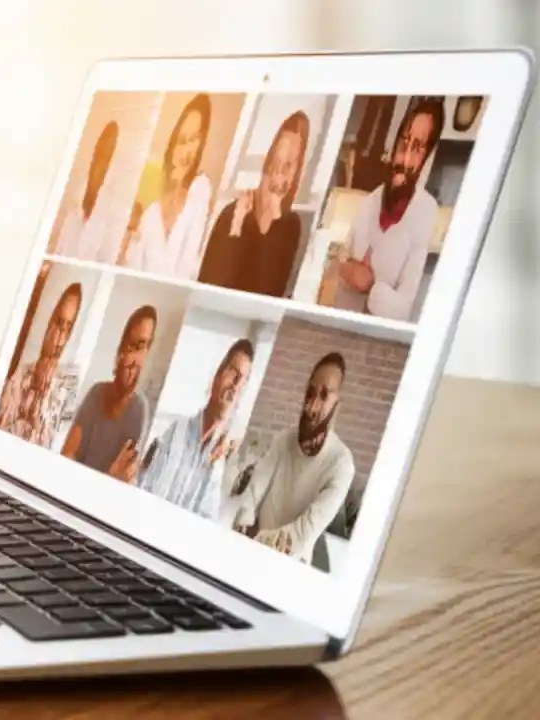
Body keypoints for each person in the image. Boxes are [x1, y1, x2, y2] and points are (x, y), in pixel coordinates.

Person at [232, 353, 356, 568]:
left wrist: (255, 543)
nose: (312, 405)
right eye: (310, 392)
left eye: (324, 395)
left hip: (289, 569)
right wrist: (244, 525)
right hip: (246, 555)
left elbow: (302, 534)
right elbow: (252, 495)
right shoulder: (283, 440)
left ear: (337, 405)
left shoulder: (341, 464)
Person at [331, 97, 444, 321]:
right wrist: (346, 269)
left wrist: (371, 287)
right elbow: (336, 263)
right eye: (403, 142)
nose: (405, 158)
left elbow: (403, 308)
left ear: (427, 157)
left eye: (418, 148)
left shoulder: (426, 211)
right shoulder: (368, 203)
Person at [123, 338, 253, 520]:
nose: (236, 384)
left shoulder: (220, 463)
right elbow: (142, 492)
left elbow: (207, 523)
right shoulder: (173, 432)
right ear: (217, 376)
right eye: (233, 372)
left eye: (243, 380)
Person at [198, 111, 310, 297]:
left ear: (296, 172)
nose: (279, 171)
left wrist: (275, 219)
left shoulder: (290, 226)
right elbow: (210, 281)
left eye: (290, 165)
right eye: (277, 160)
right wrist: (236, 228)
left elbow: (270, 290)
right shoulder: (233, 212)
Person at [125, 94, 214, 280]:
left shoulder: (201, 188)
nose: (187, 149)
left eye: (194, 138)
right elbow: (133, 260)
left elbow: (189, 265)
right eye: (182, 139)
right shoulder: (152, 189)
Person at [61, 305, 157, 473]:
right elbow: (68, 453)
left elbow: (121, 475)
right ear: (121, 350)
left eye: (142, 347)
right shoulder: (96, 393)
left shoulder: (139, 409)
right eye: (131, 347)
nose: (133, 358)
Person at [0, 283, 83, 448]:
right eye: (58, 323)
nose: (58, 338)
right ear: (49, 324)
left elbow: (53, 449)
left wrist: (44, 395)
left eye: (67, 329)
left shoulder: (69, 389)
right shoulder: (20, 375)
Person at [54, 122, 119, 263]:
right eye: (102, 145)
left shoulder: (110, 201)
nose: (103, 151)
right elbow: (64, 236)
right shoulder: (79, 186)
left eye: (109, 148)